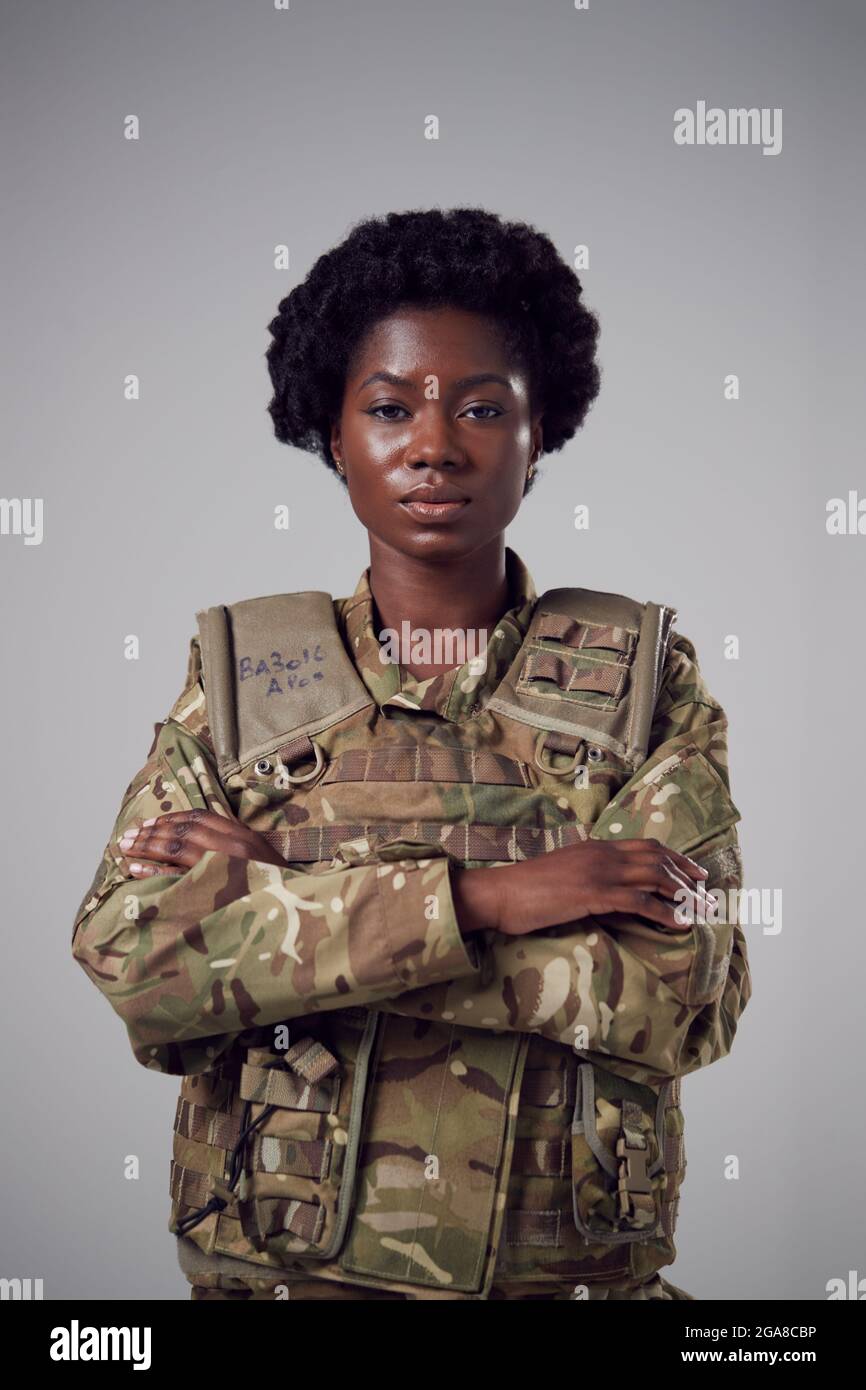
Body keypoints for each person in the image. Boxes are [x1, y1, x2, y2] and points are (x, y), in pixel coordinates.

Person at [71, 207, 751, 1301]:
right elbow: (139, 964)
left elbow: (686, 989)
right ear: (334, 435)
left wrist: (292, 904)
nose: (434, 445)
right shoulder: (245, 680)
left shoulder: (643, 682)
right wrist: (488, 899)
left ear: (541, 435)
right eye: (388, 408)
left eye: (483, 408)